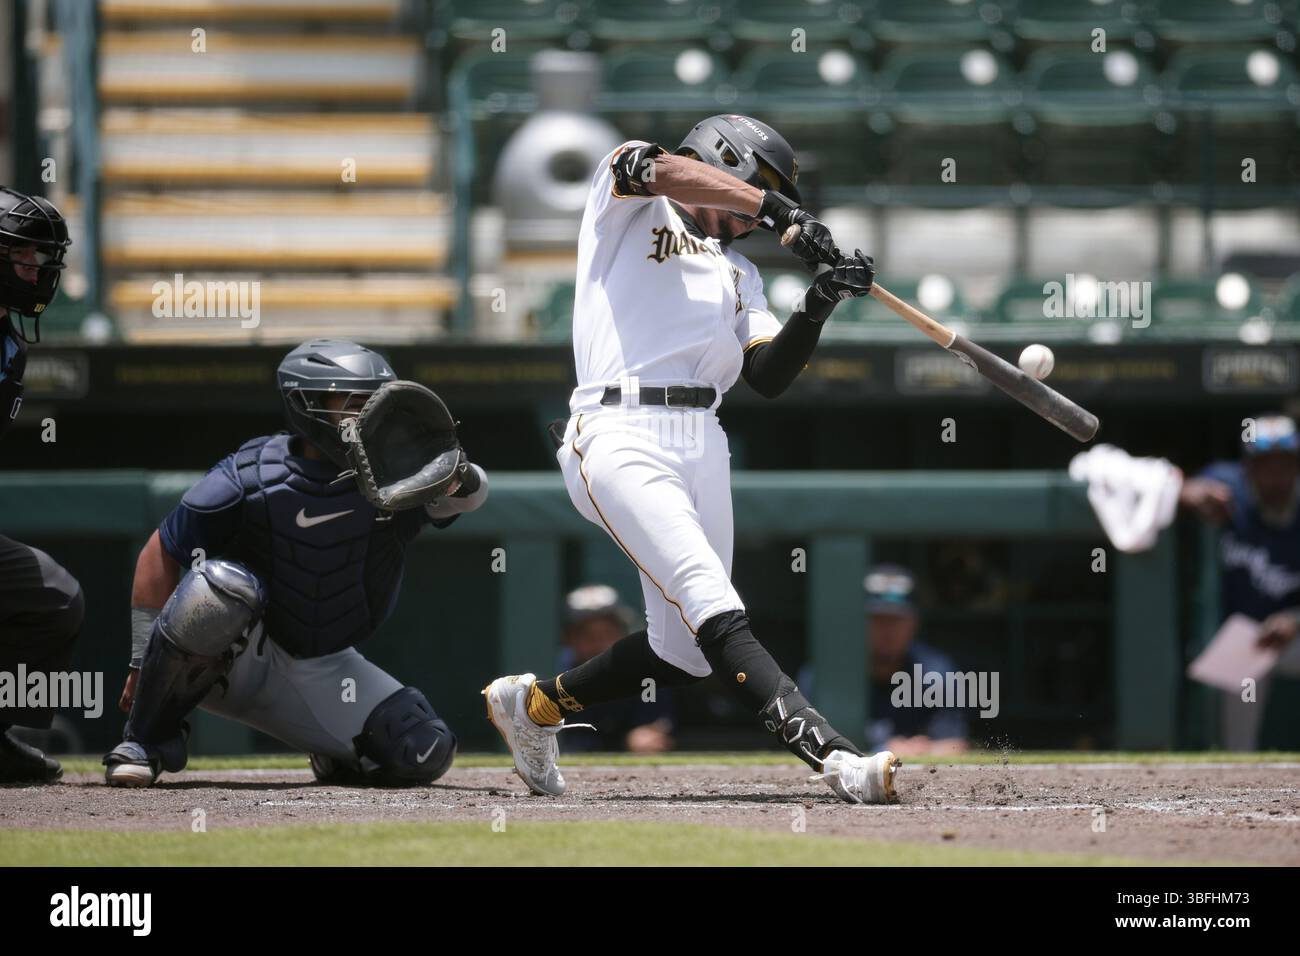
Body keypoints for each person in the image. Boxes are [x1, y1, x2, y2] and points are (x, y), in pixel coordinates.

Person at [482, 114, 899, 804]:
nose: (754, 220)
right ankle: (834, 756)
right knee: (714, 601)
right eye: (752, 191)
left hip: (702, 437)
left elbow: (765, 374)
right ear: (724, 163)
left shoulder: (737, 274)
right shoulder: (627, 200)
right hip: (619, 428)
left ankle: (531, 709)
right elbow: (657, 168)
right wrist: (781, 210)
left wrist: (819, 302)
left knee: (681, 650)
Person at [103, 339, 487, 786]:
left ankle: (336, 756)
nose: (368, 416)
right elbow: (161, 551)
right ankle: (144, 741)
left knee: (422, 751)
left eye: (376, 403)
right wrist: (140, 660)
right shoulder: (250, 474)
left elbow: (471, 498)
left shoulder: (395, 472)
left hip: (323, 664)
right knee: (222, 585)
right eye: (354, 403)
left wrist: (456, 471)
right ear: (308, 404)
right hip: (231, 660)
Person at [0, 186, 84, 784]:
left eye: (40, 258)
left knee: (55, 595)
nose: (36, 271)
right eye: (21, 256)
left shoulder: (10, 344)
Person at [1179, 413, 1300, 749]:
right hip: (1238, 637)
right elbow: (1175, 486)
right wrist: (1188, 490)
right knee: (1246, 672)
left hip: (1291, 636)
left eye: (1285, 464)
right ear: (1249, 468)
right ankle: (1237, 768)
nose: (1276, 476)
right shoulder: (1226, 487)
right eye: (1265, 465)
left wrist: (1293, 619)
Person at [811, 565, 970, 757]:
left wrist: (916, 750)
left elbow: (955, 745)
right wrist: (884, 749)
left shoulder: (936, 673)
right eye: (877, 619)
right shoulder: (826, 674)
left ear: (914, 622)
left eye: (896, 620)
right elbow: (808, 743)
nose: (887, 630)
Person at [558, 585, 675, 753]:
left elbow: (653, 727)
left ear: (623, 632)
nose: (599, 643)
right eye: (587, 636)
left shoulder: (646, 673)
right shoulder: (556, 672)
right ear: (569, 639)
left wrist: (642, 735)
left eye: (608, 633)